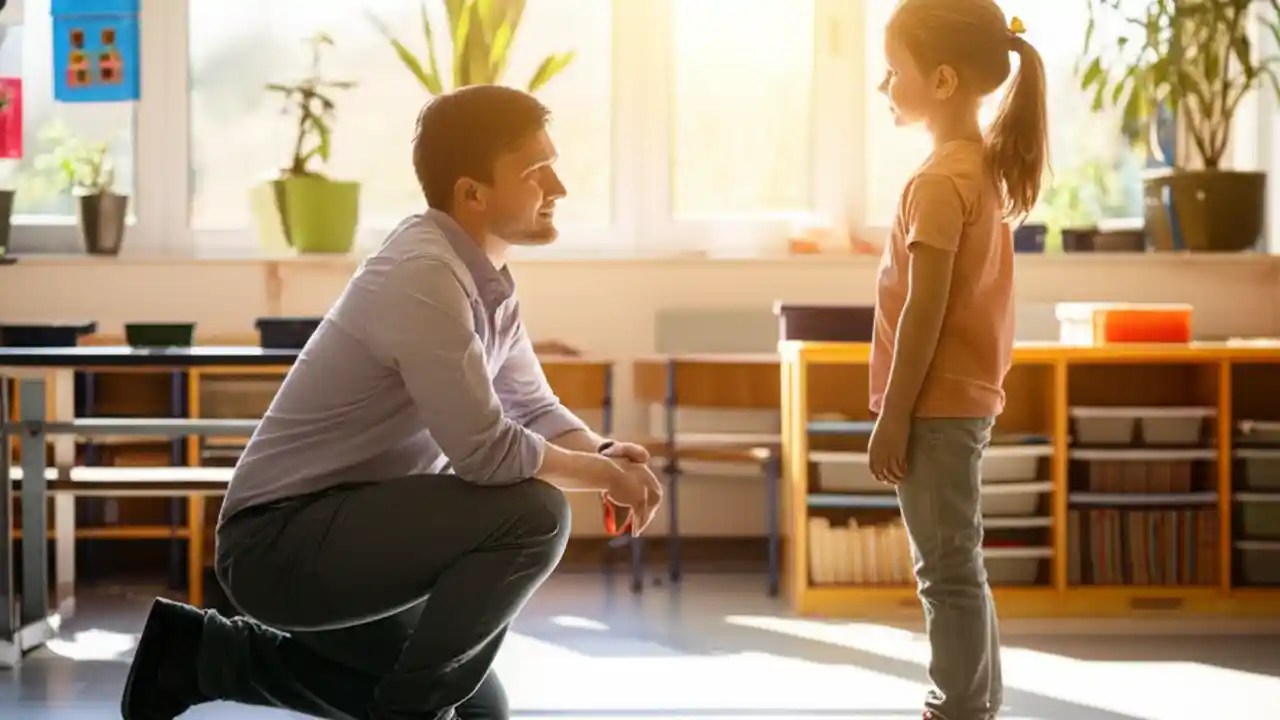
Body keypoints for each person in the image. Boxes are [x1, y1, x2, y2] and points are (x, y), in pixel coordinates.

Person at [120, 84, 664, 720]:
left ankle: (199, 654)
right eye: (537, 171)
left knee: (480, 707)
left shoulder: (484, 281)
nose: (559, 188)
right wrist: (602, 478)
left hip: (351, 535)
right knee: (535, 514)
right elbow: (486, 453)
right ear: (472, 193)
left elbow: (534, 409)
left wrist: (601, 453)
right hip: (281, 545)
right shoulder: (424, 275)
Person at [867, 3, 1048, 719]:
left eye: (893, 72)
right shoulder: (978, 171)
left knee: (943, 573)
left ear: (941, 80)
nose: (883, 86)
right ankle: (975, 704)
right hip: (958, 404)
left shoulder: (942, 181)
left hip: (935, 408)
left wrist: (894, 416)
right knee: (959, 566)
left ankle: (957, 709)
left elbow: (924, 312)